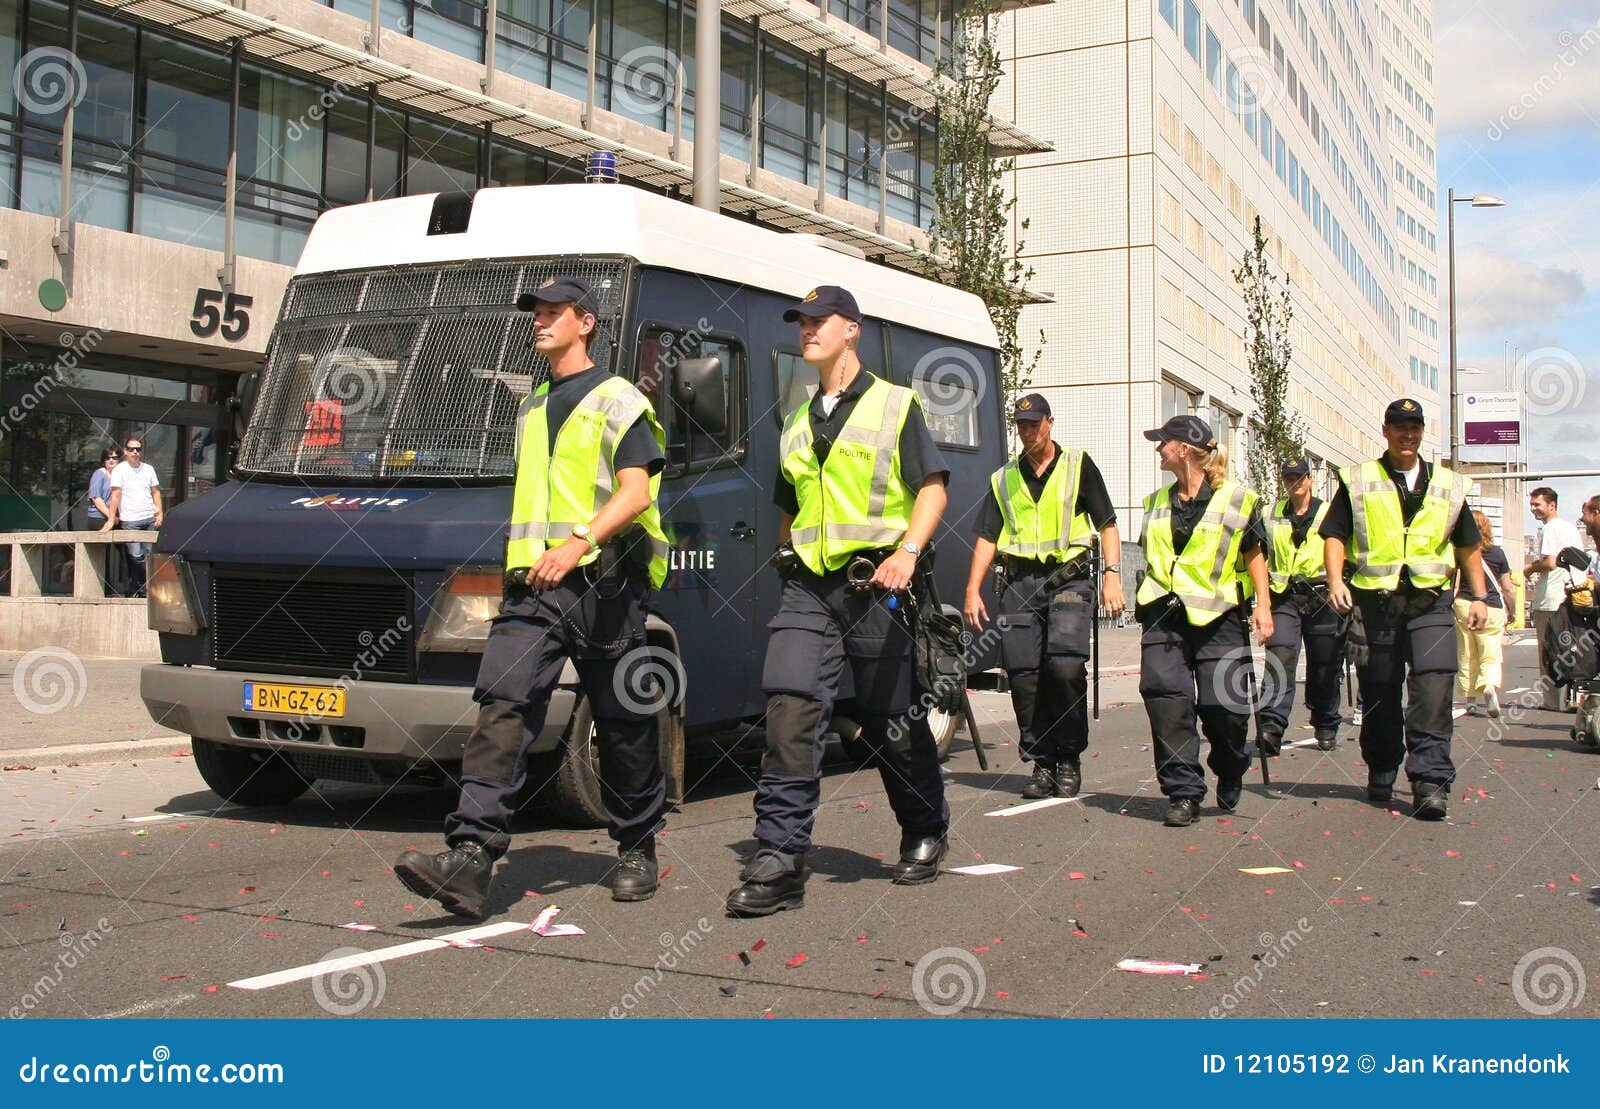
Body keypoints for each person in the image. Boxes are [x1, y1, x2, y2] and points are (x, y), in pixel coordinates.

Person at [395, 276, 672, 917]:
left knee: (622, 719)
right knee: (503, 705)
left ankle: (637, 846)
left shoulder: (618, 399)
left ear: (587, 323)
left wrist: (578, 543)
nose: (541, 322)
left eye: (555, 313)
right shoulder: (532, 404)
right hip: (533, 584)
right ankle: (470, 857)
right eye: (538, 313)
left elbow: (637, 493)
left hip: (604, 583)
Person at [726, 285, 950, 916]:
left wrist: (906, 552)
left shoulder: (895, 405)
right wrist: (786, 557)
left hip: (875, 585)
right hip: (807, 589)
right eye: (802, 322)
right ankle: (779, 859)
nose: (808, 330)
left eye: (820, 321)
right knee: (789, 711)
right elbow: (789, 508)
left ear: (851, 330)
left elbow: (931, 490)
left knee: (888, 726)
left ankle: (925, 824)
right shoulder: (795, 423)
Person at [1323, 398, 1487, 821]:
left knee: (1434, 686)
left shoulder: (1448, 484)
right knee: (1379, 690)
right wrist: (1337, 580)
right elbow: (1335, 534)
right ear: (1386, 430)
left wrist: (1480, 596)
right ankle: (1382, 764)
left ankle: (1430, 780)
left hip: (1430, 602)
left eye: (1414, 427)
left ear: (1421, 432)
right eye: (1399, 427)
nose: (1407, 435)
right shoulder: (1359, 480)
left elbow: (1467, 543)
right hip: (1375, 603)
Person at [962, 393, 1124, 799]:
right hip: (1019, 585)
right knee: (1024, 678)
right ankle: (1041, 762)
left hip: (1068, 580)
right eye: (1021, 425)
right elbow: (987, 536)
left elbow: (1107, 523)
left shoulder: (1077, 465)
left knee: (1065, 670)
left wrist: (1112, 577)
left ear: (1051, 422)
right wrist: (972, 589)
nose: (1027, 431)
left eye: (1034, 423)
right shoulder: (1003, 479)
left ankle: (1068, 757)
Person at [1134, 415, 1271, 828]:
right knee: (1167, 703)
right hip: (1163, 615)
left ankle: (1231, 767)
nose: (1158, 448)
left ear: (1185, 449)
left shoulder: (1238, 500)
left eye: (1164, 442)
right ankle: (1183, 791)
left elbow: (1254, 555)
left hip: (1219, 619)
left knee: (1224, 709)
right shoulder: (1155, 501)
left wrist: (1263, 605)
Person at [1256, 458, 1343, 753]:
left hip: (1321, 598)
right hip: (1285, 596)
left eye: (1299, 477)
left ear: (1309, 480)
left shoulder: (1329, 511)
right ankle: (1271, 726)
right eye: (1288, 478)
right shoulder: (1269, 512)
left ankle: (1326, 723)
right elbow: (1258, 554)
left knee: (1325, 665)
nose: (1294, 483)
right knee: (1280, 657)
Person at [1524, 487, 1584, 710]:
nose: (1533, 509)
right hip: (1572, 594)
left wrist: (1529, 568)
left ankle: (1550, 700)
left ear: (1552, 505)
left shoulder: (1550, 529)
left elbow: (1549, 562)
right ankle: (1576, 698)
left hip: (1550, 597)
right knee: (1571, 647)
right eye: (1532, 504)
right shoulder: (1570, 528)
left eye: (1537, 504)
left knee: (1548, 650)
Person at [1454, 510, 1513, 719]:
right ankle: (1488, 685)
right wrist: (1512, 610)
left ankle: (1470, 701)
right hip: (1491, 606)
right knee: (1490, 652)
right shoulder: (1497, 554)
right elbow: (1507, 587)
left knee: (1466, 652)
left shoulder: (1459, 551)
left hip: (1463, 603)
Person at [107, 436, 163, 598]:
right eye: (131, 449)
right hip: (130, 520)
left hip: (149, 518)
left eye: (138, 449)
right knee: (136, 557)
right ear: (125, 451)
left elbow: (156, 491)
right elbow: (115, 495)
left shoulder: (148, 469)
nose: (135, 452)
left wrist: (159, 512)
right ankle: (143, 587)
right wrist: (111, 519)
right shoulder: (120, 470)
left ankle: (140, 590)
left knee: (148, 556)